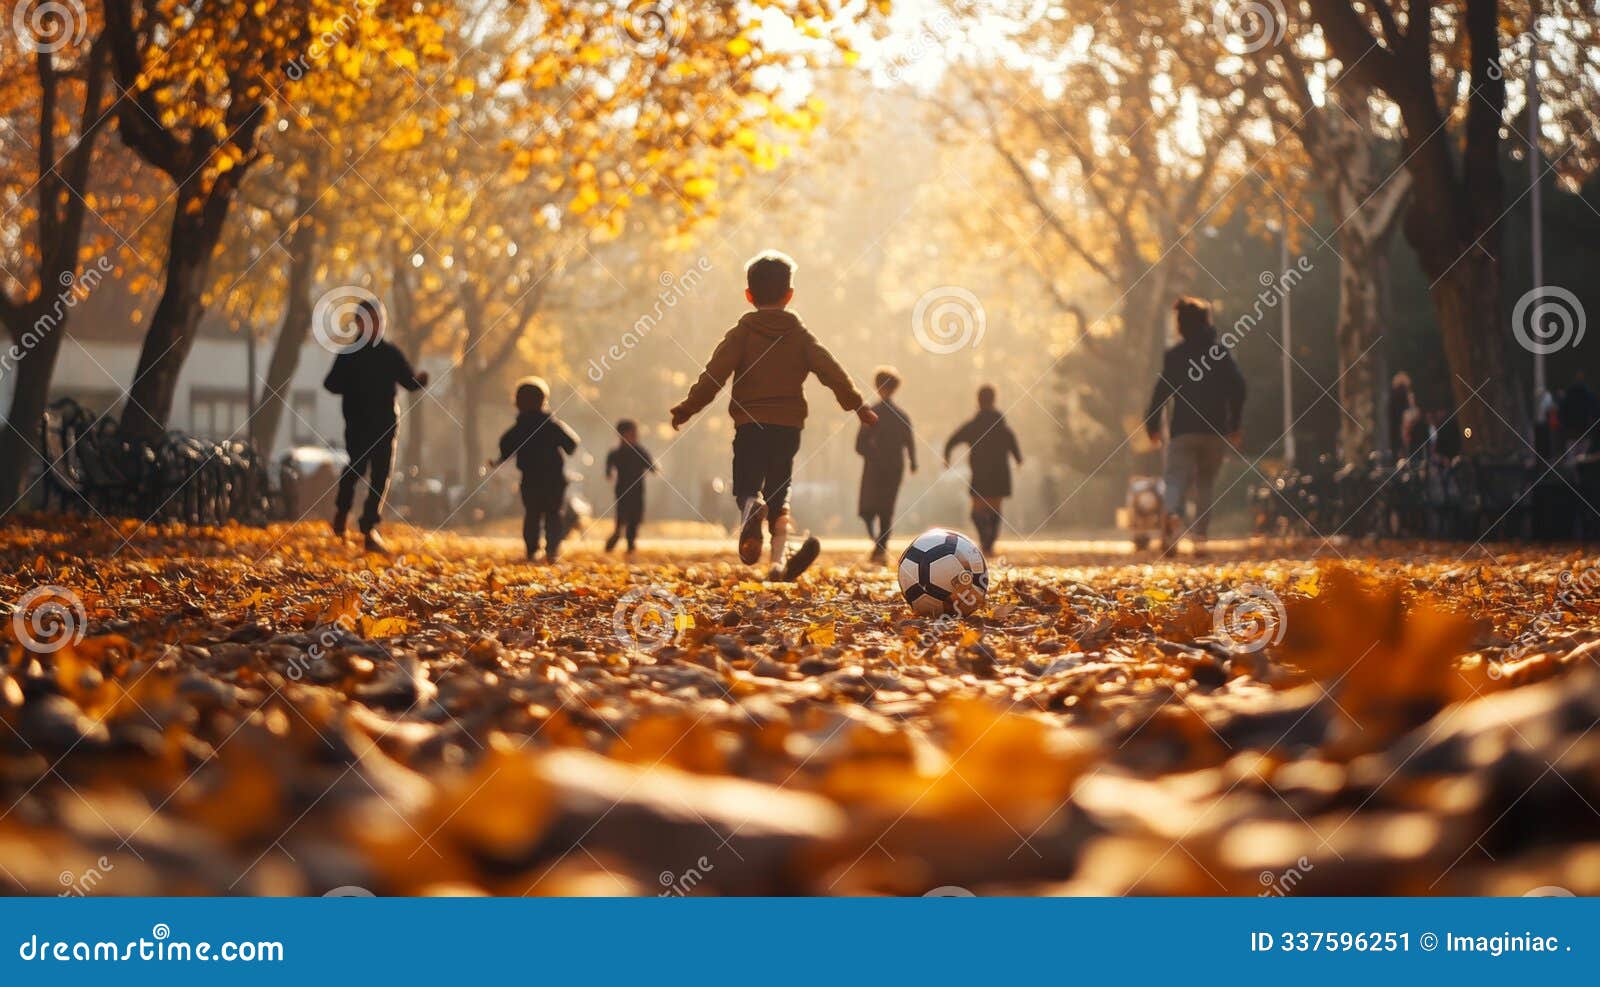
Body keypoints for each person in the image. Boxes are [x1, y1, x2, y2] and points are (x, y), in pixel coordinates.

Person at [669, 250, 876, 581]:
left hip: (750, 425)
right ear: (789, 295)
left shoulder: (742, 334)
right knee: (781, 492)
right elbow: (830, 370)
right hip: (788, 427)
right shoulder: (800, 336)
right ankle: (778, 562)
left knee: (747, 485)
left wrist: (688, 407)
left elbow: (714, 375)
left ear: (749, 295)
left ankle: (751, 506)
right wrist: (857, 404)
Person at [322, 298, 429, 553]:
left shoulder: (390, 353)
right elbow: (330, 384)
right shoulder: (348, 354)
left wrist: (420, 380)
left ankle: (369, 528)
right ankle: (342, 510)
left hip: (385, 424)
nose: (375, 325)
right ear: (358, 323)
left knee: (381, 476)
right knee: (357, 468)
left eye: (379, 320)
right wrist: (353, 384)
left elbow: (409, 382)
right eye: (369, 320)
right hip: (357, 422)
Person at [1143, 297, 1245, 556]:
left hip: (1183, 430)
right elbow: (1239, 387)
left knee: (1175, 477)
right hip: (1214, 430)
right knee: (1206, 482)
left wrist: (1152, 425)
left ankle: (1172, 517)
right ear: (1206, 322)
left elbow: (1161, 392)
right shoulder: (1220, 353)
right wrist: (1234, 424)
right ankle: (1200, 537)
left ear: (1180, 326)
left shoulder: (1175, 356)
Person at [493, 376, 579, 563]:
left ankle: (532, 551)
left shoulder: (518, 428)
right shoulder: (552, 425)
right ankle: (552, 551)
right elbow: (572, 444)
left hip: (530, 479)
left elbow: (504, 448)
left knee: (532, 514)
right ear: (544, 400)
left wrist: (498, 460)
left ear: (517, 403)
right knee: (554, 515)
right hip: (554, 479)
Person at [944, 384, 1022, 558]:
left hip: (980, 473)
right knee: (995, 508)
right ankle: (989, 542)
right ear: (994, 399)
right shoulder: (1002, 424)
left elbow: (952, 440)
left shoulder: (973, 424)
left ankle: (984, 538)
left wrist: (946, 457)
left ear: (978, 400)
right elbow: (1013, 443)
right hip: (1000, 473)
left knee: (976, 511)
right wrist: (1018, 460)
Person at [856, 367, 917, 563]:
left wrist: (913, 461)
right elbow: (860, 444)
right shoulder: (887, 414)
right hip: (885, 467)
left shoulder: (879, 413)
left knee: (877, 508)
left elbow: (859, 445)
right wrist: (912, 462)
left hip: (883, 467)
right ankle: (879, 543)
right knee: (877, 508)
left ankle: (879, 545)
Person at [604, 419, 656, 555]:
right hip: (622, 490)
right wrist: (609, 473)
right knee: (621, 518)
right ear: (622, 435)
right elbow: (608, 468)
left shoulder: (640, 451)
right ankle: (615, 538)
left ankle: (630, 545)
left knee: (634, 518)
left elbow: (652, 467)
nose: (634, 436)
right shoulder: (615, 452)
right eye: (631, 433)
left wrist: (653, 467)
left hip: (637, 490)